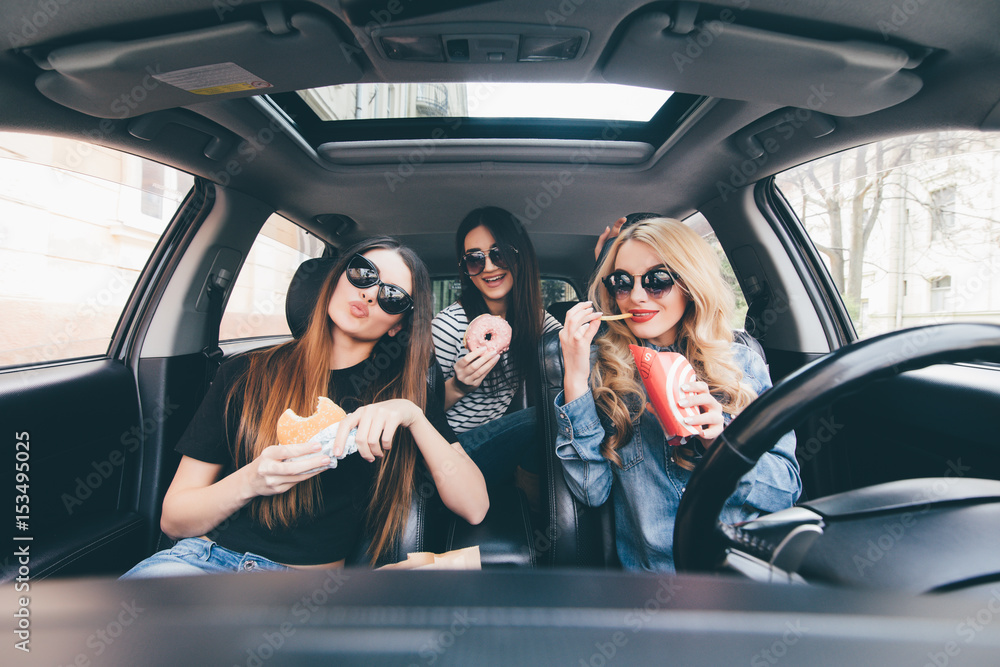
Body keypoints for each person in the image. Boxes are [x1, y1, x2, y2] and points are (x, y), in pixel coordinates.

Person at [122, 237, 488, 577]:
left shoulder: (402, 397)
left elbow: (475, 506)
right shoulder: (245, 373)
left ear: (397, 325)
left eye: (392, 296)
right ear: (336, 280)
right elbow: (174, 519)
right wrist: (251, 479)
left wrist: (413, 415)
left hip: (301, 590)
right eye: (363, 274)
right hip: (201, 562)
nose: (371, 295)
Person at [556, 217, 801, 572]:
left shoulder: (740, 362)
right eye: (622, 282)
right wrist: (575, 377)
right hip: (655, 583)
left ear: (690, 283)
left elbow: (786, 490)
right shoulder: (603, 371)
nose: (636, 295)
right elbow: (590, 491)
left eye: (657, 280)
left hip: (746, 570)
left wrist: (723, 445)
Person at [432, 206, 562, 486]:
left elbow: (578, 348)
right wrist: (458, 386)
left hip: (493, 440)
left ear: (520, 256)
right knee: (541, 419)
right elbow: (418, 408)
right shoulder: (449, 325)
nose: (489, 267)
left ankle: (529, 503)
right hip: (446, 448)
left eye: (499, 254)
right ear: (466, 269)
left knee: (554, 418)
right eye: (475, 260)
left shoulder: (534, 319)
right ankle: (532, 502)